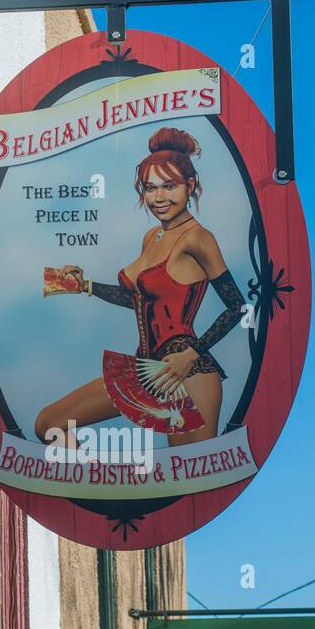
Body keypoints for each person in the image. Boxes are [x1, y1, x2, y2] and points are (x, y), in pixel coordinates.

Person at [34, 127, 245, 447]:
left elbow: (236, 306)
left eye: (169, 186)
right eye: (150, 188)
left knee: (187, 483)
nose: (159, 197)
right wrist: (84, 285)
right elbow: (138, 298)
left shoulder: (198, 238)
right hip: (147, 368)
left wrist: (193, 354)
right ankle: (95, 488)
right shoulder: (153, 237)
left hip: (186, 371)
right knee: (49, 424)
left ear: (190, 186)